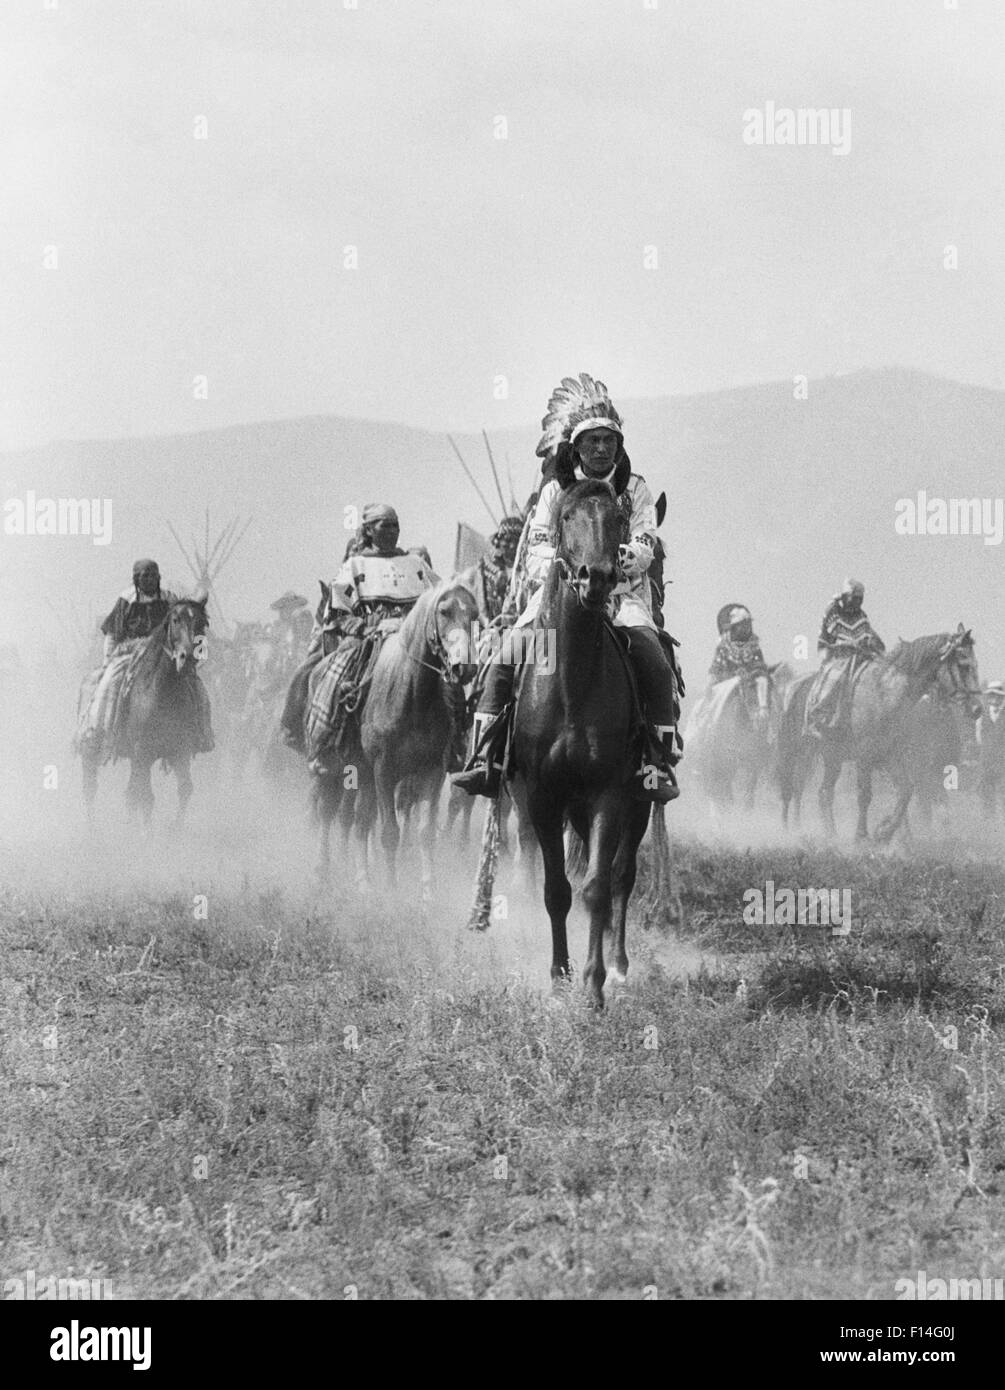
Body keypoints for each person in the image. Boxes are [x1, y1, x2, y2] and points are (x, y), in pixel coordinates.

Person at [452, 372, 682, 802]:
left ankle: (656, 761)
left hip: (621, 595)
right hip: (559, 595)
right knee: (506, 656)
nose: (600, 448)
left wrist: (614, 564)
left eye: (608, 442)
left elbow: (647, 540)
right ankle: (486, 758)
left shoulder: (636, 490)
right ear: (577, 447)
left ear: (618, 446)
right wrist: (566, 571)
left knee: (654, 659)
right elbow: (538, 546)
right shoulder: (556, 491)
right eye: (592, 441)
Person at [280, 504, 434, 757]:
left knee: (448, 683)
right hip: (368, 640)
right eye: (386, 525)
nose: (393, 531)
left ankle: (457, 745)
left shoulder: (415, 564)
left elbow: (439, 599)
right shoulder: (353, 566)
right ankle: (329, 743)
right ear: (370, 530)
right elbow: (338, 612)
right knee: (335, 679)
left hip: (411, 638)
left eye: (396, 525)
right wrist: (368, 627)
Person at [76, 558, 213, 758]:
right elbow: (112, 633)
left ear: (159, 577)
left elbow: (182, 625)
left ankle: (202, 733)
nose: (149, 580)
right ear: (136, 579)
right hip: (129, 652)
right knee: (108, 684)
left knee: (197, 687)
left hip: (163, 652)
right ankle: (98, 732)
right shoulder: (126, 599)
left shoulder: (169, 599)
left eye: (153, 576)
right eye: (145, 576)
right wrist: (107, 662)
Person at [805, 579, 885, 736]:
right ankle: (818, 715)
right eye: (854, 598)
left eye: (860, 599)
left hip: (861, 656)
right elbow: (828, 637)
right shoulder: (833, 611)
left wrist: (871, 642)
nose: (857, 602)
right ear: (846, 596)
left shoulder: (861, 615)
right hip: (837, 656)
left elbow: (867, 632)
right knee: (838, 676)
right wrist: (848, 644)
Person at [709, 605, 769, 685]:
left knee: (763, 682)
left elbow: (759, 664)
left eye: (748, 625)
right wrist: (734, 674)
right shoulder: (724, 648)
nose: (747, 629)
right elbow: (717, 671)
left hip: (752, 682)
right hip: (729, 685)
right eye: (742, 626)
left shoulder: (753, 646)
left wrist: (754, 673)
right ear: (733, 628)